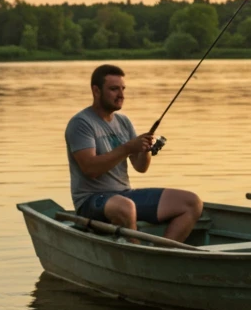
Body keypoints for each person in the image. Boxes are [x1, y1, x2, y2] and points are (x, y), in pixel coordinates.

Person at [65, 64, 203, 242]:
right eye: (114, 89)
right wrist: (129, 147)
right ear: (96, 91)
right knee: (126, 207)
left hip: (124, 195)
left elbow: (140, 167)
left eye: (123, 89)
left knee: (191, 203)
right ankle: (139, 255)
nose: (121, 95)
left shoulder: (124, 122)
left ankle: (163, 255)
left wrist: (143, 149)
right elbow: (90, 168)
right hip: (91, 201)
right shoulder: (81, 123)